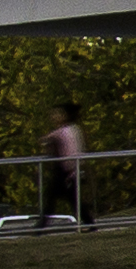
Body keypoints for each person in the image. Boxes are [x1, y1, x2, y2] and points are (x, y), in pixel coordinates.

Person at [42, 98, 90, 229]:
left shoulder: (68, 131)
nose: (54, 117)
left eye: (57, 114)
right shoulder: (69, 130)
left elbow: (73, 152)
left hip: (67, 172)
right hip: (67, 172)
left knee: (66, 200)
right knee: (66, 200)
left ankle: (40, 227)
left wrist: (72, 171)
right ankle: (41, 226)